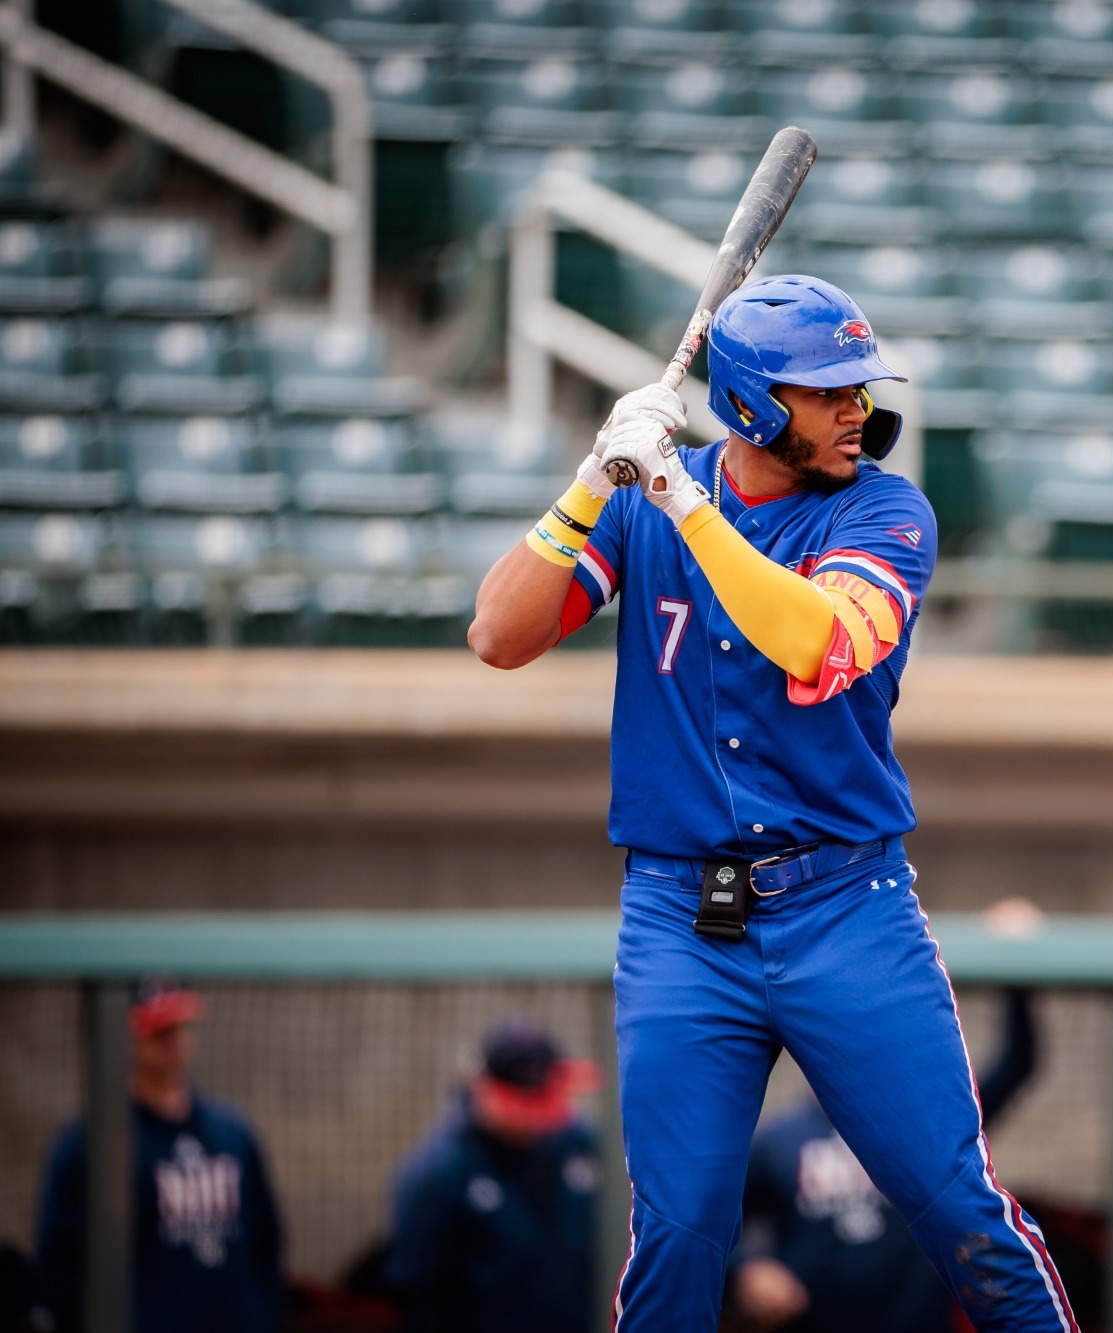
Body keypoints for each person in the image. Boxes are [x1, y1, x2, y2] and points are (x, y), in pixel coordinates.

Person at [466, 275, 1075, 1330]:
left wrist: (680, 501)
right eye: (826, 391)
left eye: (858, 388)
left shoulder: (886, 506)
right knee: (675, 1239)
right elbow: (498, 636)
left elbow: (814, 639)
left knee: (957, 1210)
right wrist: (587, 486)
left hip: (847, 905)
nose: (857, 410)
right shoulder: (644, 498)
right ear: (750, 403)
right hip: (678, 921)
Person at [731, 987, 1040, 1333]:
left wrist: (1015, 975)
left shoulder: (923, 1124)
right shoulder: (779, 1139)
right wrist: (751, 1265)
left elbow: (1018, 1063)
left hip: (916, 1321)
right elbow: (723, 1214)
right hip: (811, 1321)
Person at [34, 977, 285, 1333]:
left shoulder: (233, 1134)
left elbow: (266, 1245)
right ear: (121, 1036)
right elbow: (59, 1267)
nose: (175, 1042)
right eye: (159, 1031)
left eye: (179, 1026)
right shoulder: (91, 1144)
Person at [384, 1019, 602, 1333]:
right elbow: (416, 1292)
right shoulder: (437, 1173)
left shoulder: (584, 1146)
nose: (532, 1122)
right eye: (523, 1105)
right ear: (481, 1087)